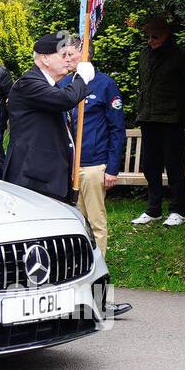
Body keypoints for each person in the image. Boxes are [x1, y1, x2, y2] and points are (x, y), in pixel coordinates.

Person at [3, 33, 94, 202]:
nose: (69, 60)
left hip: (49, 177)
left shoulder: (51, 86)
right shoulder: (29, 82)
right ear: (45, 59)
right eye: (63, 55)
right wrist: (83, 79)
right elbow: (65, 100)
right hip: (33, 178)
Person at [58, 37, 126, 253]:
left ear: (85, 55)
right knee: (73, 221)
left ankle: (99, 266)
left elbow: (117, 128)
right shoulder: (64, 84)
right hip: (69, 165)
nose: (66, 59)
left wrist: (112, 168)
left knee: (95, 220)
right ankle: (77, 265)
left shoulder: (105, 84)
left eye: (70, 54)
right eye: (64, 55)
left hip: (93, 164)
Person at [132, 15, 185, 227]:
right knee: (150, 166)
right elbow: (143, 84)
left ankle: (178, 209)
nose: (151, 40)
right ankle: (153, 209)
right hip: (148, 117)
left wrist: (182, 115)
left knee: (174, 165)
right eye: (148, 36)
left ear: (166, 34)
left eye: (155, 36)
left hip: (171, 118)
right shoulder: (144, 54)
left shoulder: (181, 56)